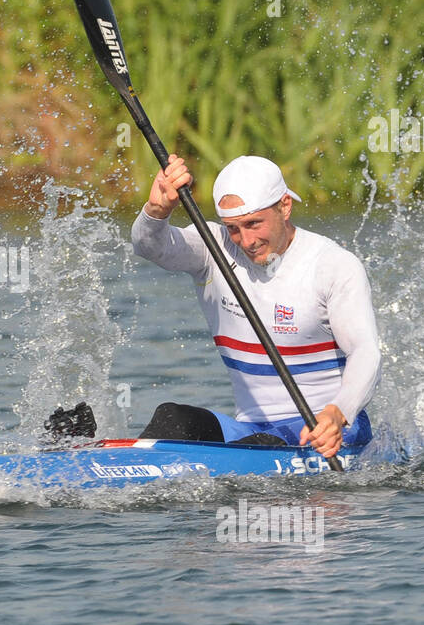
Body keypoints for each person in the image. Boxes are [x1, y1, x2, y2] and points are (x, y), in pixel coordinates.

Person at [129, 154, 380, 458]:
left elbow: (365, 352)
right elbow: (149, 247)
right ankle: (121, 461)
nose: (246, 241)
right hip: (249, 431)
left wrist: (338, 413)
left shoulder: (333, 265)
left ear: (285, 206)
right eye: (233, 227)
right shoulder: (215, 248)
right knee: (173, 417)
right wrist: (157, 210)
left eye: (253, 224)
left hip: (324, 430)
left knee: (258, 447)